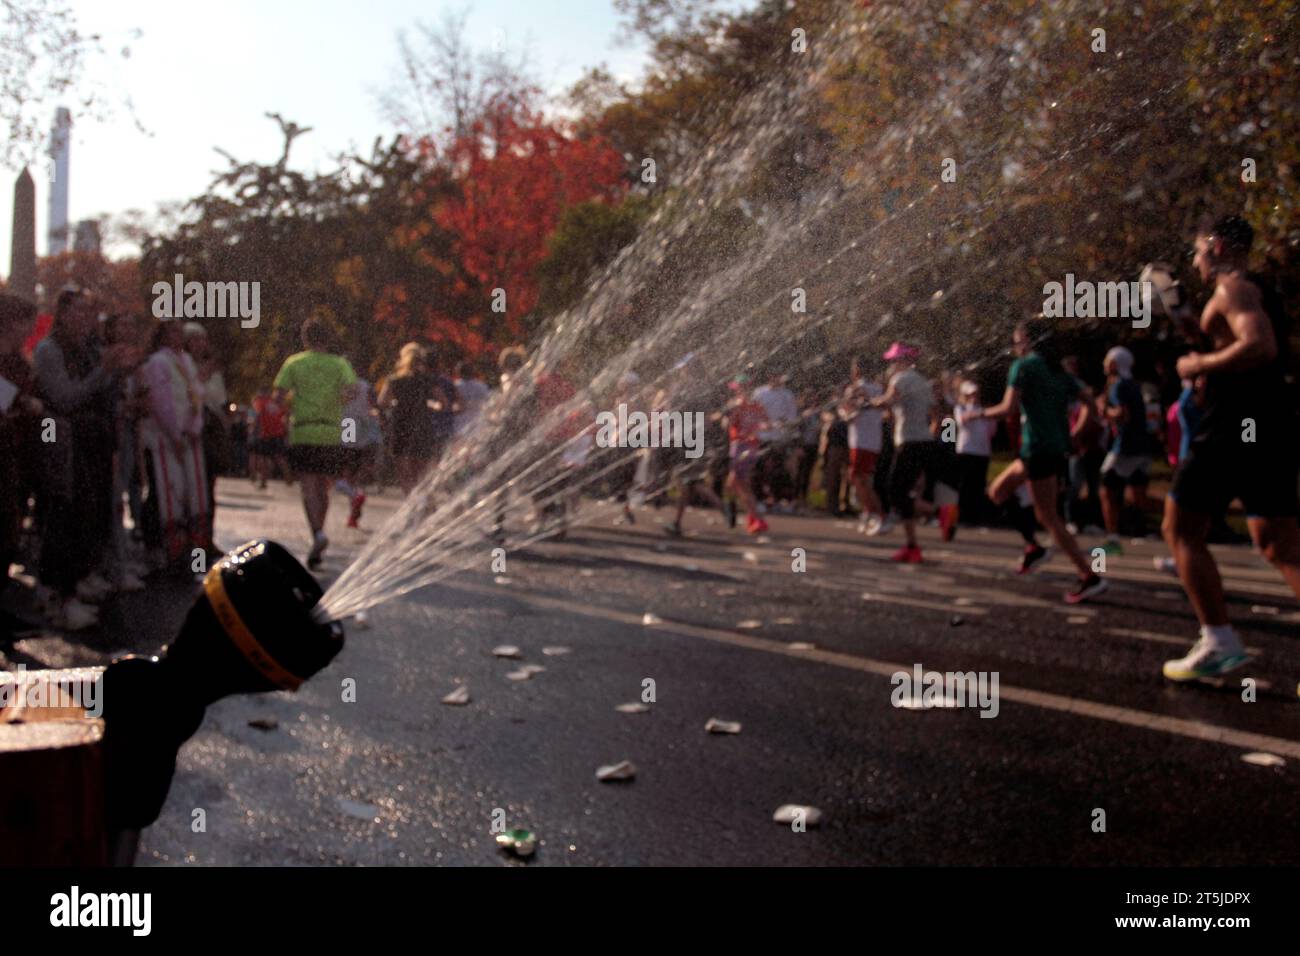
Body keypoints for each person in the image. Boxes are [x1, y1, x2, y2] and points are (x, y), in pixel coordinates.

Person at [1161, 215, 1300, 680]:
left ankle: (1219, 641)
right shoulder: (1255, 288)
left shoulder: (1233, 289)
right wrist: (1200, 344)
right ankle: (1218, 640)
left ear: (1217, 246)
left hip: (1232, 428)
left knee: (1180, 529)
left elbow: (1259, 346)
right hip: (1268, 425)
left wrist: (1198, 362)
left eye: (1199, 250)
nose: (1196, 260)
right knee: (1281, 546)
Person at [966, 322, 1108, 603]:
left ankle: (1089, 575)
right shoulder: (1059, 371)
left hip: (1039, 449)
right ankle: (1033, 546)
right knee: (998, 492)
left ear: (1029, 340)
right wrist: (1076, 432)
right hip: (1051, 449)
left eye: (1017, 340)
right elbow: (1091, 404)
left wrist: (977, 414)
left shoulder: (1023, 367)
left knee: (1049, 517)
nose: (1015, 346)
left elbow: (1009, 407)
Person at [272, 317, 358, 570]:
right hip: (331, 432)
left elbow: (277, 397)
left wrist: (292, 403)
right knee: (323, 486)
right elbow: (353, 390)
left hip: (304, 430)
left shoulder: (295, 363)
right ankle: (319, 531)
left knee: (308, 486)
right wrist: (336, 400)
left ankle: (317, 532)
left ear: (305, 339)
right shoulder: (339, 363)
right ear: (328, 339)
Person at [138, 318, 210, 569]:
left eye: (181, 332)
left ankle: (188, 546)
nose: (179, 337)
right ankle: (158, 546)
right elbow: (161, 401)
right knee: (165, 490)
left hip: (187, 436)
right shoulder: (158, 362)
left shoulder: (186, 361)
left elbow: (197, 395)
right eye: (173, 332)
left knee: (188, 491)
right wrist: (174, 434)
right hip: (166, 438)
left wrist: (193, 427)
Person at [868, 342, 939, 563]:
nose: (891, 365)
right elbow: (935, 412)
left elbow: (888, 399)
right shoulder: (922, 381)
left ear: (903, 361)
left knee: (896, 491)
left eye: (893, 361)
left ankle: (937, 515)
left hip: (909, 442)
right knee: (902, 491)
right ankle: (912, 545)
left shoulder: (900, 379)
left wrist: (874, 402)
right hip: (923, 441)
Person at [0, 294, 44, 641]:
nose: (29, 329)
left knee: (10, 528)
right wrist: (21, 402)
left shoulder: (17, 360)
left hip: (16, 453)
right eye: (24, 322)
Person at [377, 343, 456, 495]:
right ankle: (425, 506)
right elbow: (444, 404)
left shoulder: (394, 380)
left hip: (401, 426)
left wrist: (396, 403)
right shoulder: (427, 380)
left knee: (405, 474)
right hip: (422, 426)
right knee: (422, 474)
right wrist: (432, 406)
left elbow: (382, 402)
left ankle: (411, 504)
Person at [1098, 346, 1151, 554]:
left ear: (1113, 364)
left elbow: (1122, 415)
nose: (1104, 363)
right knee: (1137, 494)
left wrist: (1105, 411)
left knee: (1107, 488)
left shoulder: (1118, 386)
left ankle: (1112, 538)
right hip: (1143, 446)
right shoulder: (1133, 385)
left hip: (1125, 446)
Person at [723, 377, 769, 534]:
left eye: (737, 388)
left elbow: (730, 424)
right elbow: (766, 424)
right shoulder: (756, 405)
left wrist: (730, 416)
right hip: (751, 446)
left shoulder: (739, 404)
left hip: (741, 446)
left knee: (737, 483)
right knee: (741, 484)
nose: (735, 390)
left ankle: (756, 518)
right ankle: (751, 517)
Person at [840, 374, 885, 534]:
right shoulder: (880, 388)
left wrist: (847, 413)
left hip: (861, 441)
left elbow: (847, 411)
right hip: (872, 441)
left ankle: (878, 515)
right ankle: (868, 512)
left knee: (858, 478)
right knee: (861, 478)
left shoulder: (856, 389)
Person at [337, 372, 381, 528]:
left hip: (348, 425)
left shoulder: (341, 384)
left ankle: (355, 497)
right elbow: (374, 406)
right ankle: (353, 515)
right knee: (353, 475)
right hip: (363, 426)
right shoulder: (366, 384)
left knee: (344, 473)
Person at [953, 379, 994, 527]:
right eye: (971, 394)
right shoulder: (960, 408)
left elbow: (992, 431)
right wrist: (979, 413)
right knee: (965, 485)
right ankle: (962, 517)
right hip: (967, 450)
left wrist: (982, 414)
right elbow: (962, 421)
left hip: (983, 451)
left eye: (976, 394)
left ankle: (976, 517)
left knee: (979, 485)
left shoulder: (984, 410)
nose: (974, 396)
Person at [250, 387, 289, 488]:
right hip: (278, 433)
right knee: (279, 457)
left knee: (264, 458)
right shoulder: (276, 404)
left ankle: (263, 482)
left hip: (265, 434)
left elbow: (258, 416)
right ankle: (288, 477)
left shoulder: (260, 402)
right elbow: (284, 416)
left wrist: (254, 430)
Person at [453, 361, 491, 437]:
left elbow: (455, 405)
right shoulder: (482, 386)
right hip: (479, 423)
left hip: (461, 424)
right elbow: (489, 402)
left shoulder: (456, 387)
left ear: (459, 373)